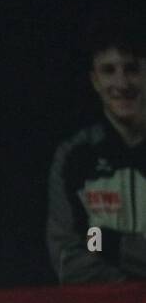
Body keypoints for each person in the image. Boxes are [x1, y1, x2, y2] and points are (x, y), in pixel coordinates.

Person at [47, 27, 146, 281]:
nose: (122, 84)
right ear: (95, 81)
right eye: (109, 71)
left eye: (132, 69)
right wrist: (130, 290)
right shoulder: (75, 156)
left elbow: (89, 243)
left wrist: (109, 243)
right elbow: (67, 257)